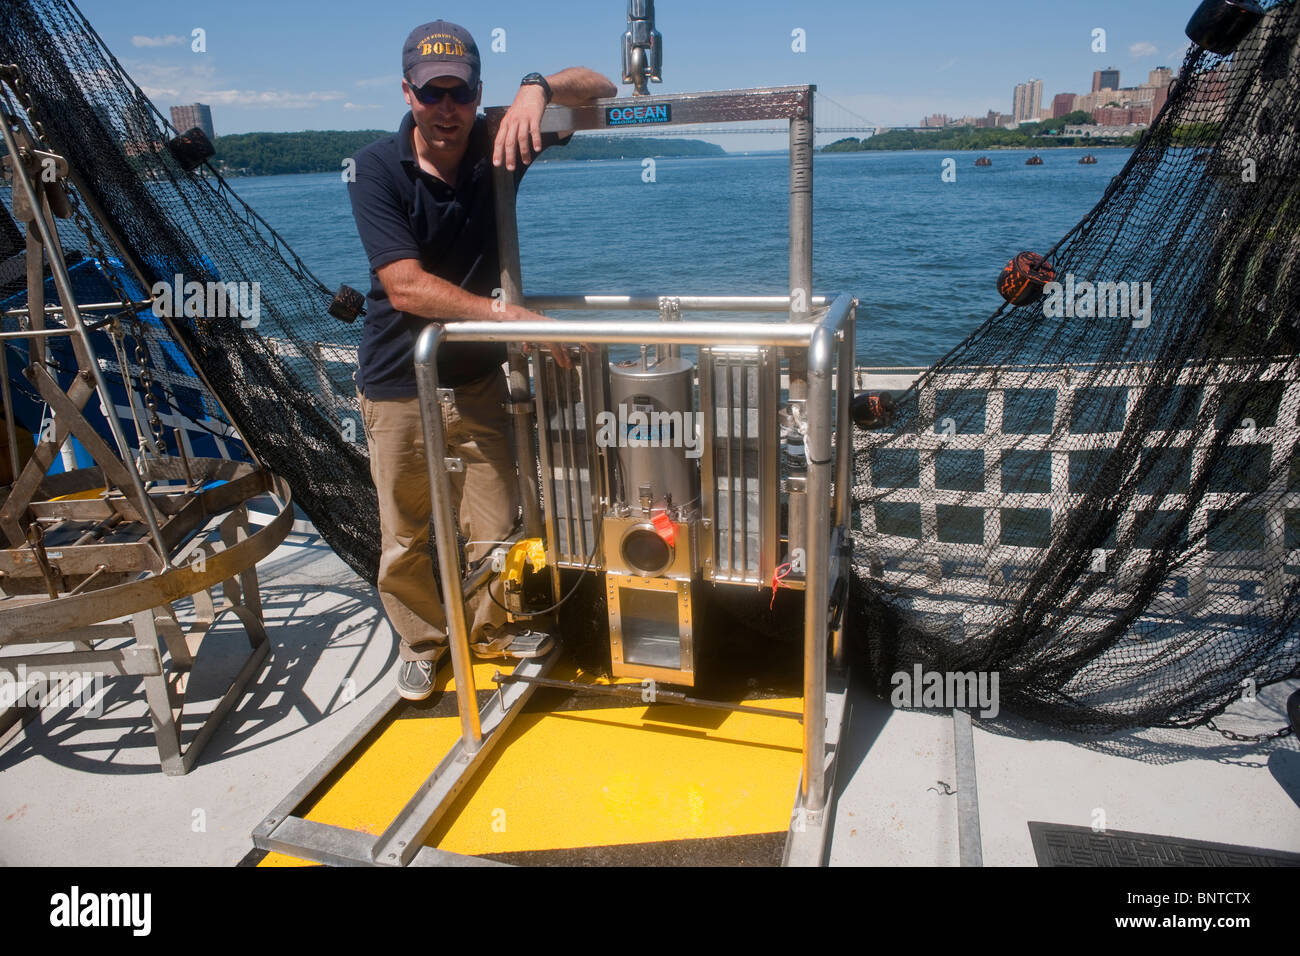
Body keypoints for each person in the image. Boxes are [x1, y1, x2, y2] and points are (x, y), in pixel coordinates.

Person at [347, 20, 615, 700]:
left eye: (459, 95)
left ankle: (490, 635)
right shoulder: (377, 167)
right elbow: (403, 285)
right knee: (406, 535)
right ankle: (423, 642)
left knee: (496, 528)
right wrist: (514, 317)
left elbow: (605, 92)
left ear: (477, 93)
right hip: (397, 381)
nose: (446, 110)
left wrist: (537, 90)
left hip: (476, 380)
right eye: (432, 94)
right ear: (407, 92)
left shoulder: (502, 137)